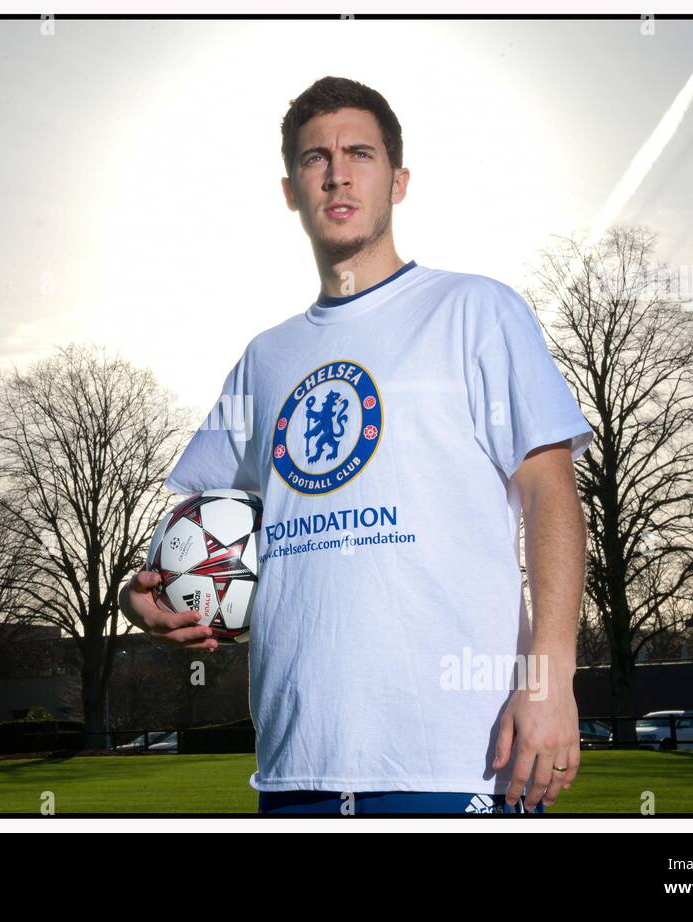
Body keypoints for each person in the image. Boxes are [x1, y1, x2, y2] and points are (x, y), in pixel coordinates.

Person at [119, 76, 593, 817]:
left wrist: (550, 678)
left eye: (360, 154)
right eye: (316, 158)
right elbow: (196, 524)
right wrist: (140, 597)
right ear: (290, 189)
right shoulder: (264, 358)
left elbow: (549, 491)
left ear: (398, 181)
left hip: (460, 759)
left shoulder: (474, 310)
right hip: (295, 769)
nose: (338, 173)